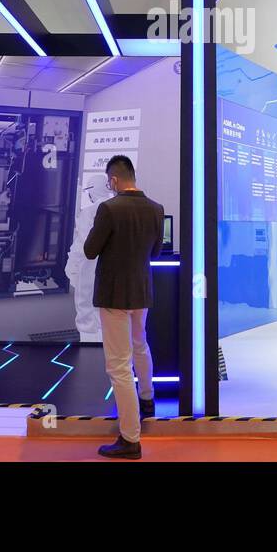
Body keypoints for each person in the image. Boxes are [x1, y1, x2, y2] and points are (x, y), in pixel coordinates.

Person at [83, 154, 164, 459]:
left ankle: (130, 439)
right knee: (140, 345)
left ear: (113, 181)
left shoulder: (108, 209)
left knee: (118, 365)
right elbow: (155, 250)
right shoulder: (156, 209)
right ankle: (147, 399)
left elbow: (90, 251)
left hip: (114, 296)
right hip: (141, 292)